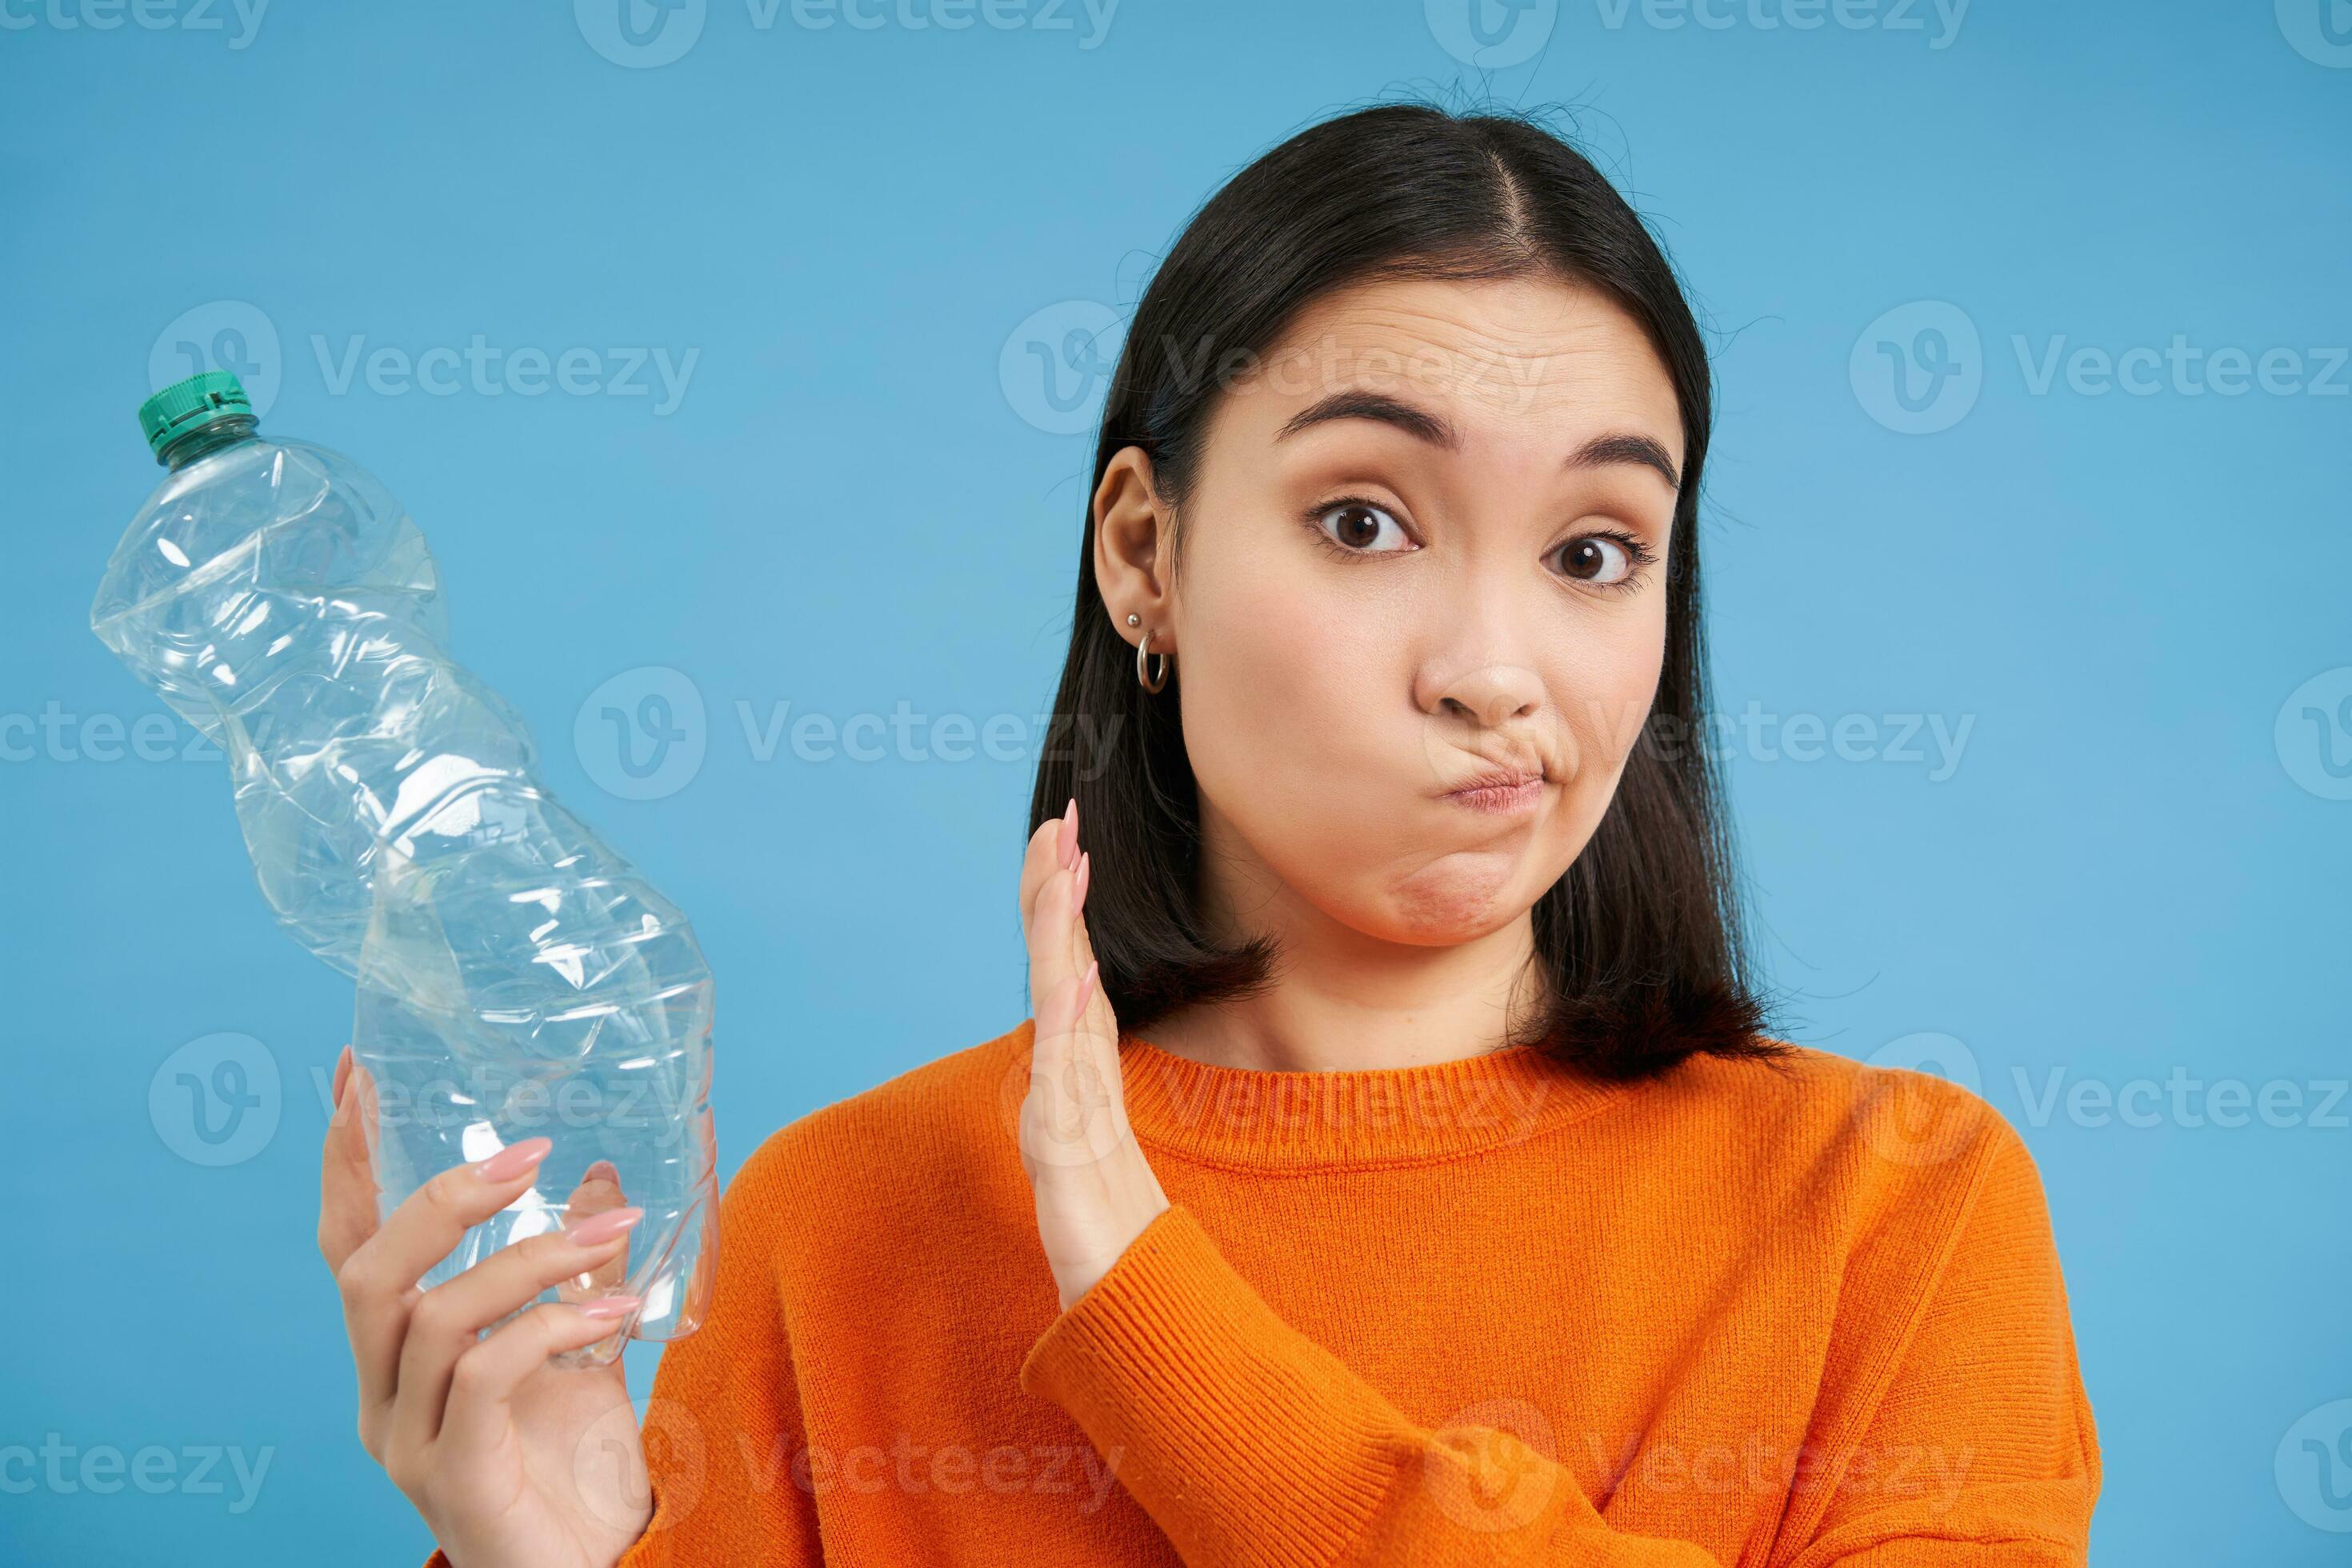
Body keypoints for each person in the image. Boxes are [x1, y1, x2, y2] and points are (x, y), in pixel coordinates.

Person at [318, 101, 2102, 1566]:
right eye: (1363, 520)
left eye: (1594, 551)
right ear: (1143, 555)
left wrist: (1157, 1317)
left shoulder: (1894, 1209)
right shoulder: (844, 1228)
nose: (1496, 670)